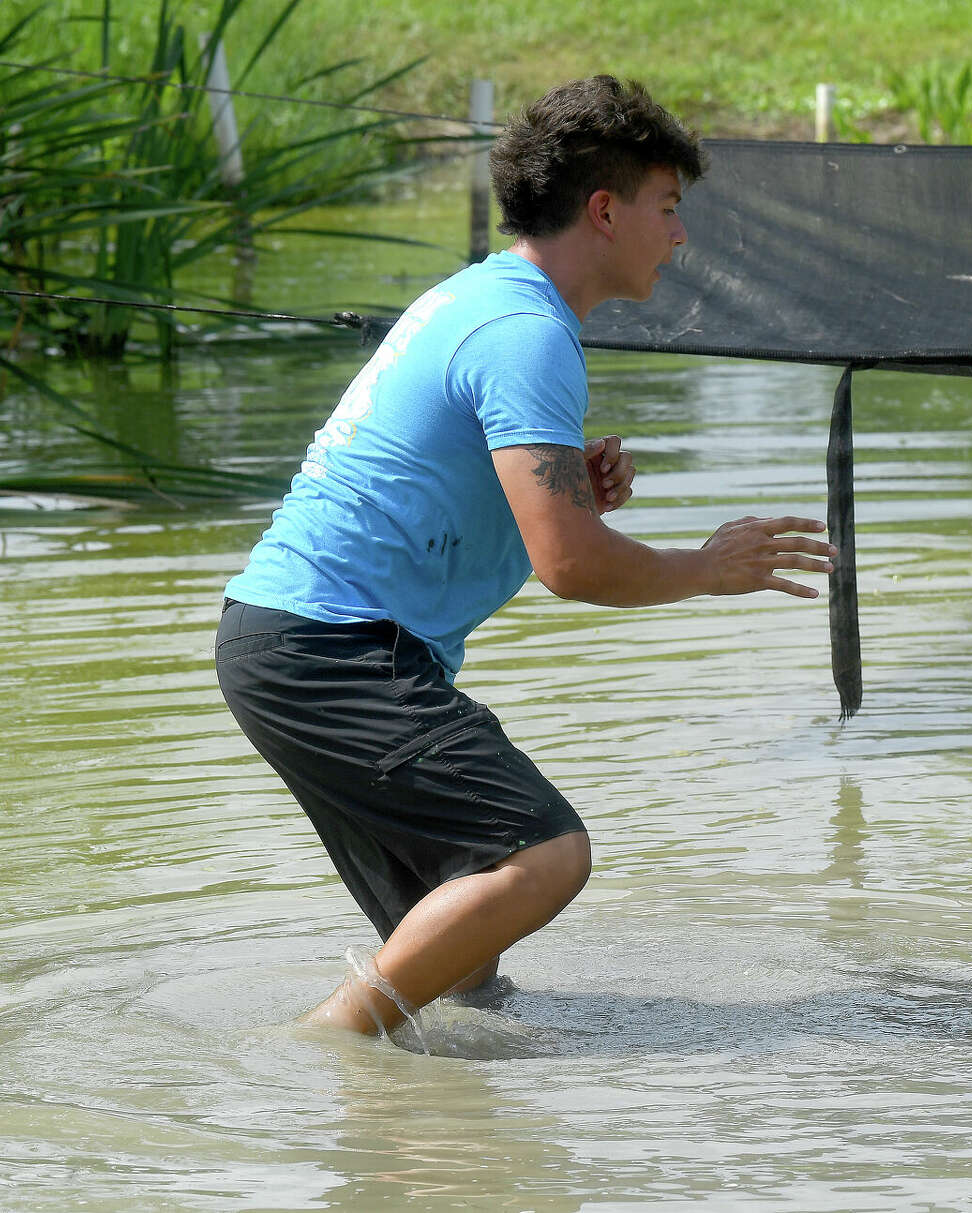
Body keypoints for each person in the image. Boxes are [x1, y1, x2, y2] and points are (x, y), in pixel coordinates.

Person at [215, 76, 833, 1037]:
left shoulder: (487, 297)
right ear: (603, 209)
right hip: (326, 645)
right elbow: (573, 566)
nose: (678, 236)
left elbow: (456, 483)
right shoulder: (527, 331)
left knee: (466, 964)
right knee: (544, 857)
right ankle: (323, 1049)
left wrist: (563, 490)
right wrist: (707, 567)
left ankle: (428, 1141)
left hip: (282, 641)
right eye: (667, 208)